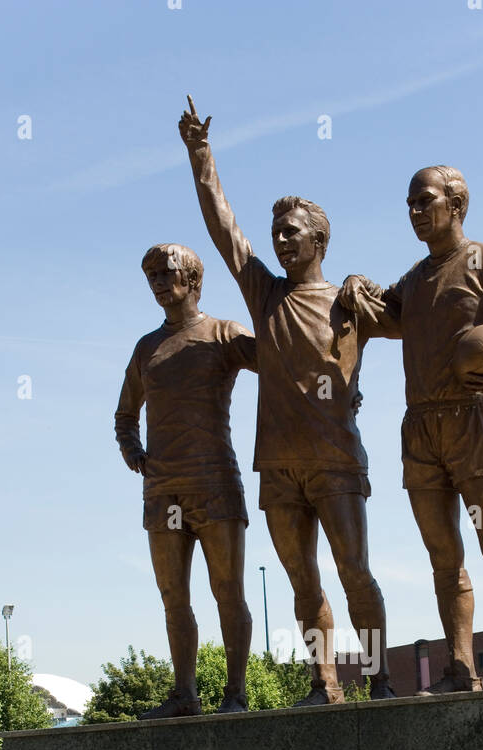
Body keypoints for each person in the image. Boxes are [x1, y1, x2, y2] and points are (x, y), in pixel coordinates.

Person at [178, 96, 398, 704]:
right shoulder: (265, 296)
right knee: (303, 581)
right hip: (276, 465)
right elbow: (223, 226)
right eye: (276, 233)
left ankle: (379, 679)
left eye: (291, 232)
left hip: (335, 460)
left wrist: (369, 289)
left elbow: (418, 318)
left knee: (354, 571)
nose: (280, 241)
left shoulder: (351, 301)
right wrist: (201, 152)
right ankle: (323, 682)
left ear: (319, 239)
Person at [340, 165, 483, 690]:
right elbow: (374, 314)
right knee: (443, 558)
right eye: (409, 203)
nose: (414, 212)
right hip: (421, 430)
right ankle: (459, 667)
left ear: (456, 206)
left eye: (424, 201)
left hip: (474, 422)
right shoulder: (413, 280)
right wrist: (353, 285)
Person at [114, 241, 256, 717]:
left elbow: (283, 366)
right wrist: (134, 452)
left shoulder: (223, 333)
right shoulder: (146, 347)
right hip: (163, 490)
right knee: (174, 596)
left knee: (227, 590)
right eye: (150, 275)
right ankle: (184, 694)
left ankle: (234, 693)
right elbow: (124, 415)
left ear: (192, 279)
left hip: (215, 481)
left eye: (164, 273)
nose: (156, 282)